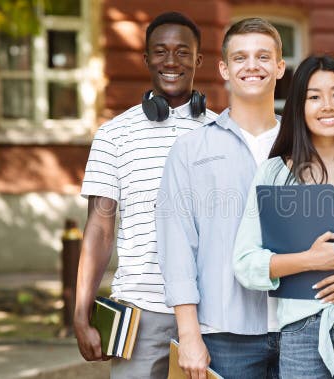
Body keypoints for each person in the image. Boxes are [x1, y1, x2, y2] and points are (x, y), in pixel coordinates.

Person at [73, 12, 217, 378]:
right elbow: (100, 228)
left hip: (214, 314)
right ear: (146, 59)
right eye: (161, 52)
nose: (171, 62)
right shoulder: (114, 135)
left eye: (183, 52)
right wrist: (80, 311)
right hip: (140, 312)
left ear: (199, 60)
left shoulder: (222, 131)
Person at [156, 18, 285, 379]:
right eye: (240, 58)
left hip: (298, 328)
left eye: (263, 56)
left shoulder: (301, 145)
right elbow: (177, 244)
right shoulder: (191, 149)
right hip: (223, 333)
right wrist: (189, 334)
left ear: (279, 66)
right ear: (225, 69)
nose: (252, 66)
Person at [233, 54, 334, 379]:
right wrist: (309, 260)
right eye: (314, 97)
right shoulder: (276, 173)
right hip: (302, 333)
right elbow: (245, 263)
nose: (328, 105)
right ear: (298, 106)